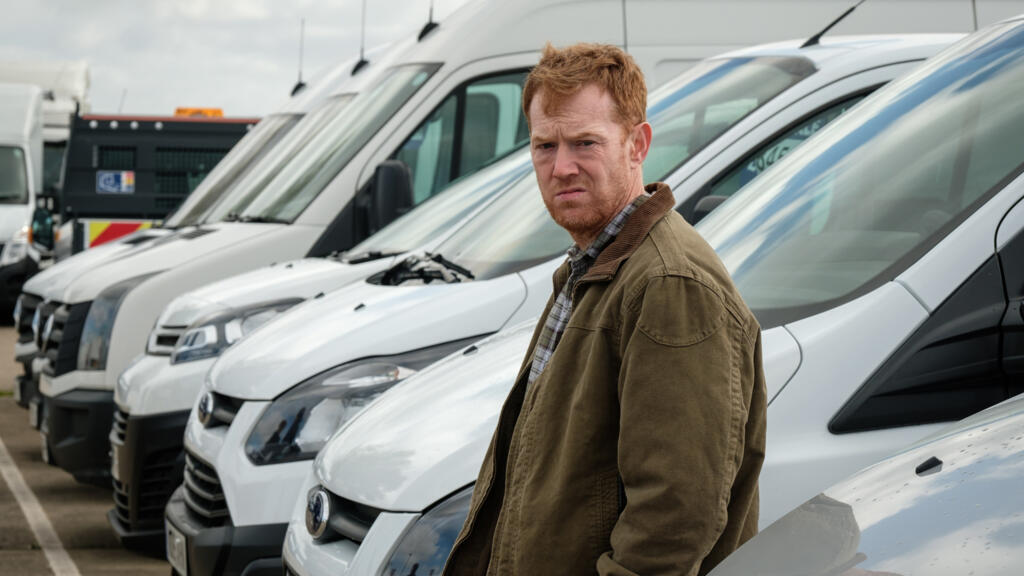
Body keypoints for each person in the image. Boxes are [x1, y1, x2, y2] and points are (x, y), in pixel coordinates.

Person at [443, 43, 767, 576]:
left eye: (584, 143)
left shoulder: (669, 285)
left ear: (637, 145)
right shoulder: (595, 265)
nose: (561, 166)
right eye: (544, 145)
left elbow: (674, 519)